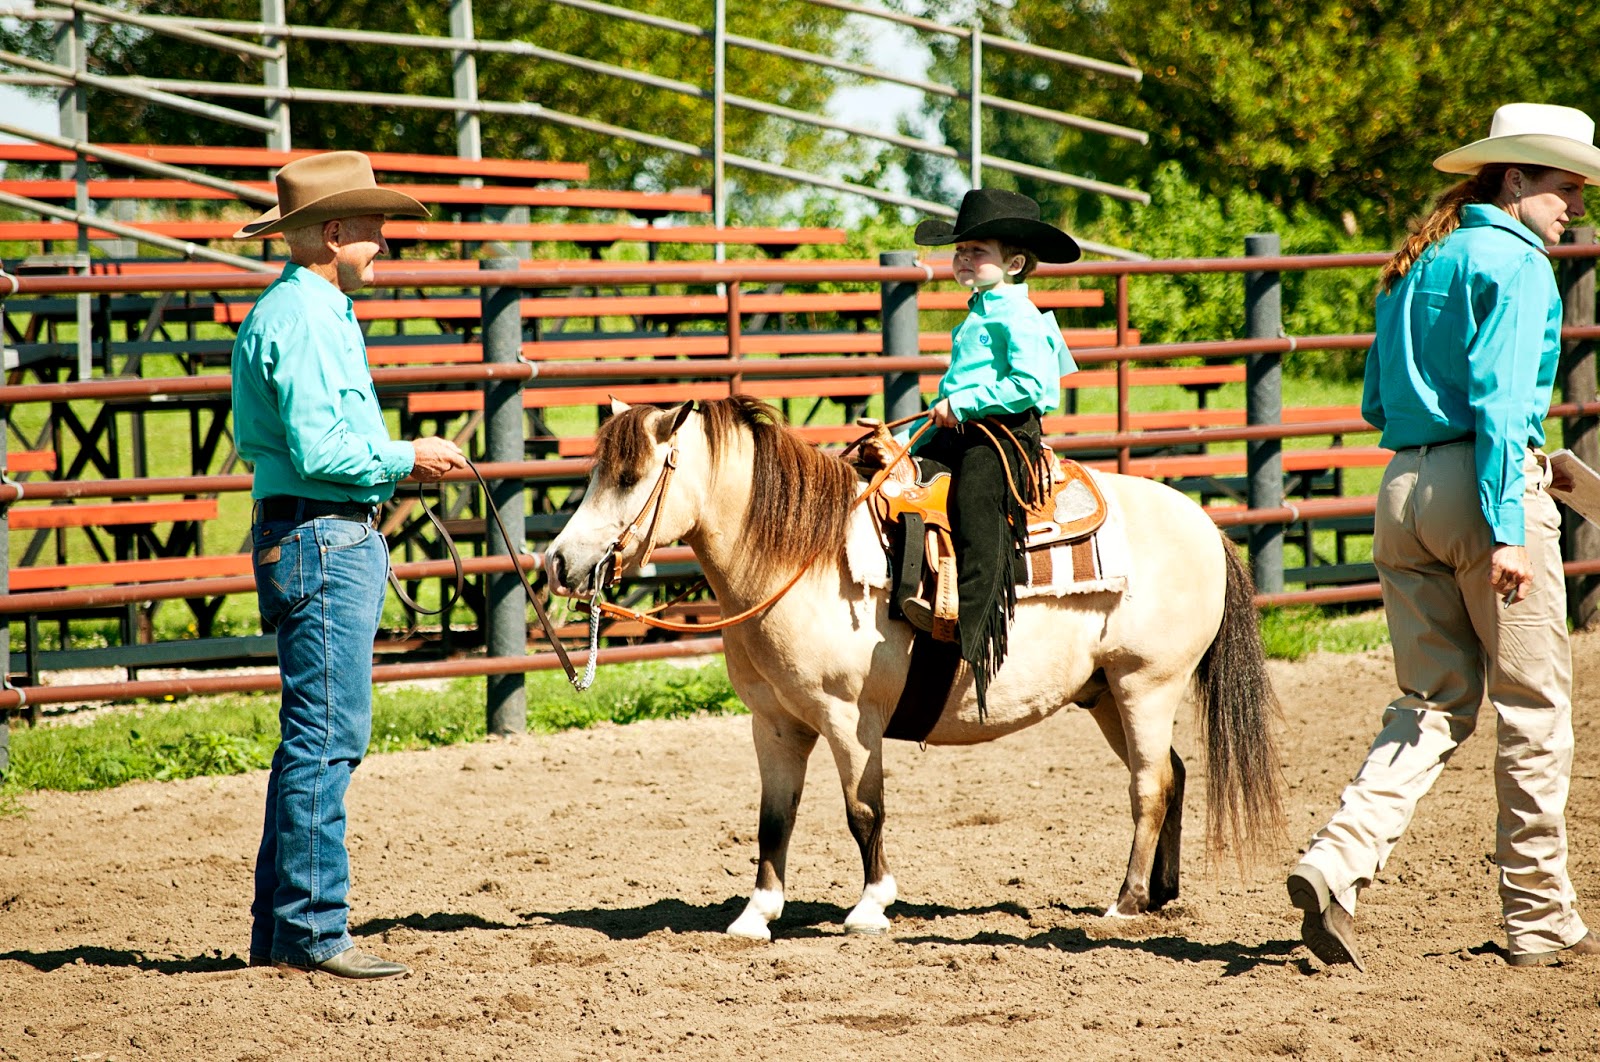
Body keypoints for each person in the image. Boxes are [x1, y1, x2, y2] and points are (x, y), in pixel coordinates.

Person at [1288, 103, 1600, 970]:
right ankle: (1540, 918)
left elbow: (1376, 404)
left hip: (1403, 486)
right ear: (1515, 180)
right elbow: (1504, 405)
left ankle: (1338, 858)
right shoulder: (1520, 263)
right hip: (1483, 488)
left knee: (1430, 703)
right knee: (1534, 707)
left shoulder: (1417, 260)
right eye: (1565, 187)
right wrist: (1506, 525)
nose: (1575, 204)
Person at [231, 151, 466, 979]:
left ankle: (282, 928)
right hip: (324, 537)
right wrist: (409, 456)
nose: (382, 248)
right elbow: (324, 448)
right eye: (373, 232)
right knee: (327, 740)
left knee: (315, 739)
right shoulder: (305, 317)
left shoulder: (307, 310)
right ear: (334, 233)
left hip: (313, 533)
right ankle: (310, 931)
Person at [902, 187, 1080, 709]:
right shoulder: (979, 311)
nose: (963, 259)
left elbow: (1031, 387)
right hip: (964, 425)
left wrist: (963, 403)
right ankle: (914, 594)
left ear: (1016, 263)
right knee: (903, 481)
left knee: (976, 500)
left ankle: (974, 632)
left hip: (1004, 434)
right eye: (960, 251)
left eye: (977, 251)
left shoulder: (1019, 317)